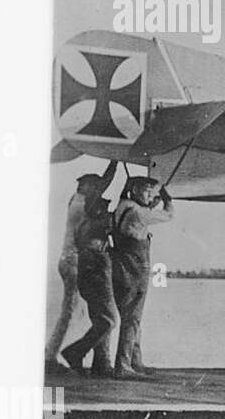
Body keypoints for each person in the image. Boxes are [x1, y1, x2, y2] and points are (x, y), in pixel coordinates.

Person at [46, 160, 118, 373]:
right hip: (75, 261)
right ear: (85, 186)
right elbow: (105, 182)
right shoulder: (83, 203)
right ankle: (51, 356)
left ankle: (55, 354)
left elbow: (103, 184)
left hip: (68, 259)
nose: (98, 189)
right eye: (93, 186)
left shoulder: (75, 200)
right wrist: (115, 160)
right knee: (70, 312)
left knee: (73, 311)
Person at [111, 176, 173, 378]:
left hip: (120, 266)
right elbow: (168, 215)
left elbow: (138, 206)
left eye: (151, 191)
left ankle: (135, 361)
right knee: (132, 318)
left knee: (131, 317)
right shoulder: (139, 213)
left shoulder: (124, 204)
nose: (151, 194)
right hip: (136, 269)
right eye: (146, 191)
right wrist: (167, 198)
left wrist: (149, 199)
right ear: (135, 191)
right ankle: (124, 366)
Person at [59, 196, 119, 377]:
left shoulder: (83, 224)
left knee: (100, 319)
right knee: (109, 321)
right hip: (98, 277)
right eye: (102, 207)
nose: (104, 210)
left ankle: (98, 364)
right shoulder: (96, 224)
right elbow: (110, 226)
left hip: (86, 278)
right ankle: (75, 352)